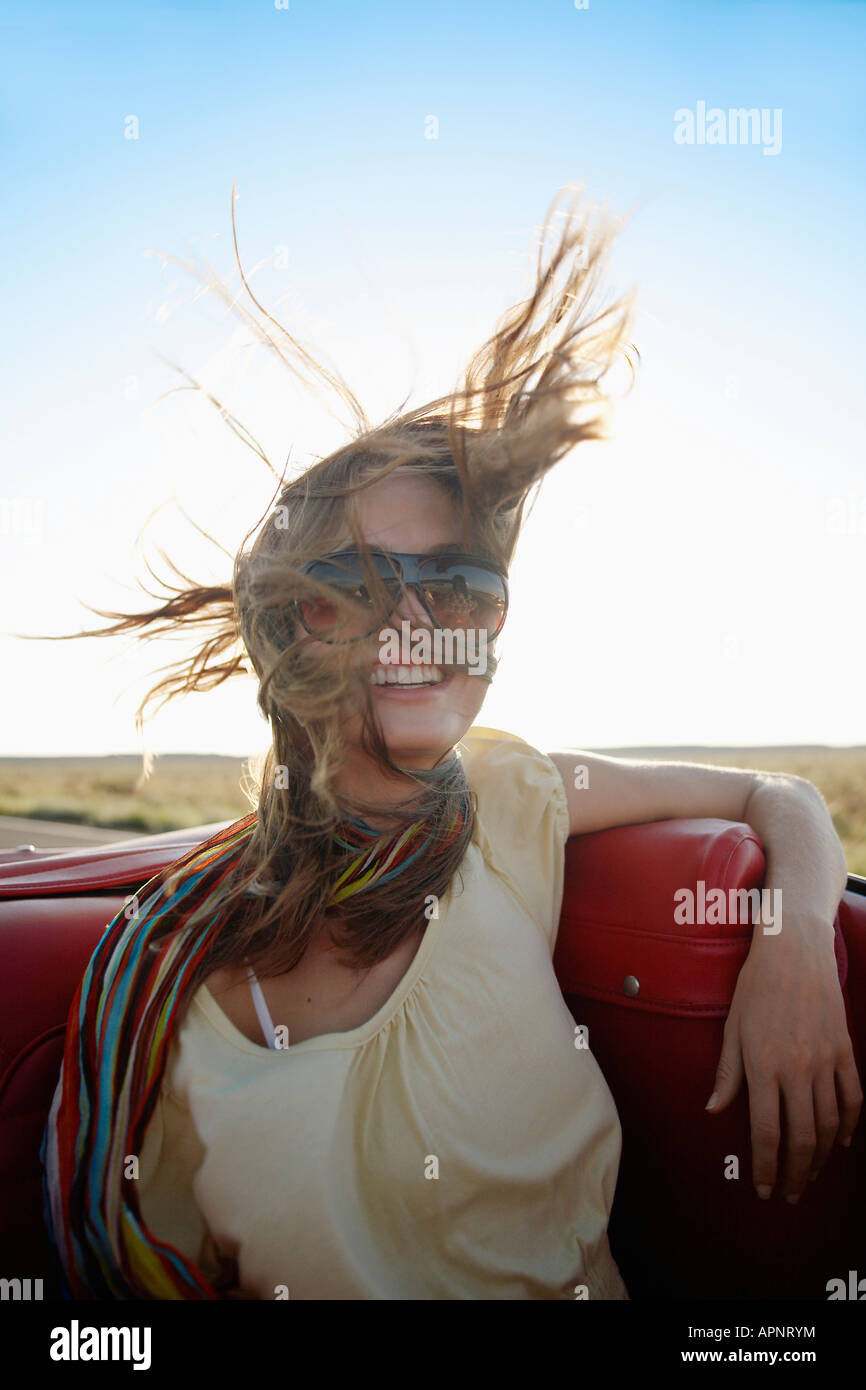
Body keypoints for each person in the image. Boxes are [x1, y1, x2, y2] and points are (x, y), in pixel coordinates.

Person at [39, 186, 860, 1300]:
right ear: (290, 625)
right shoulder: (167, 983)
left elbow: (777, 795)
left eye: (455, 585)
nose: (416, 627)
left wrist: (795, 942)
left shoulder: (511, 799)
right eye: (362, 585)